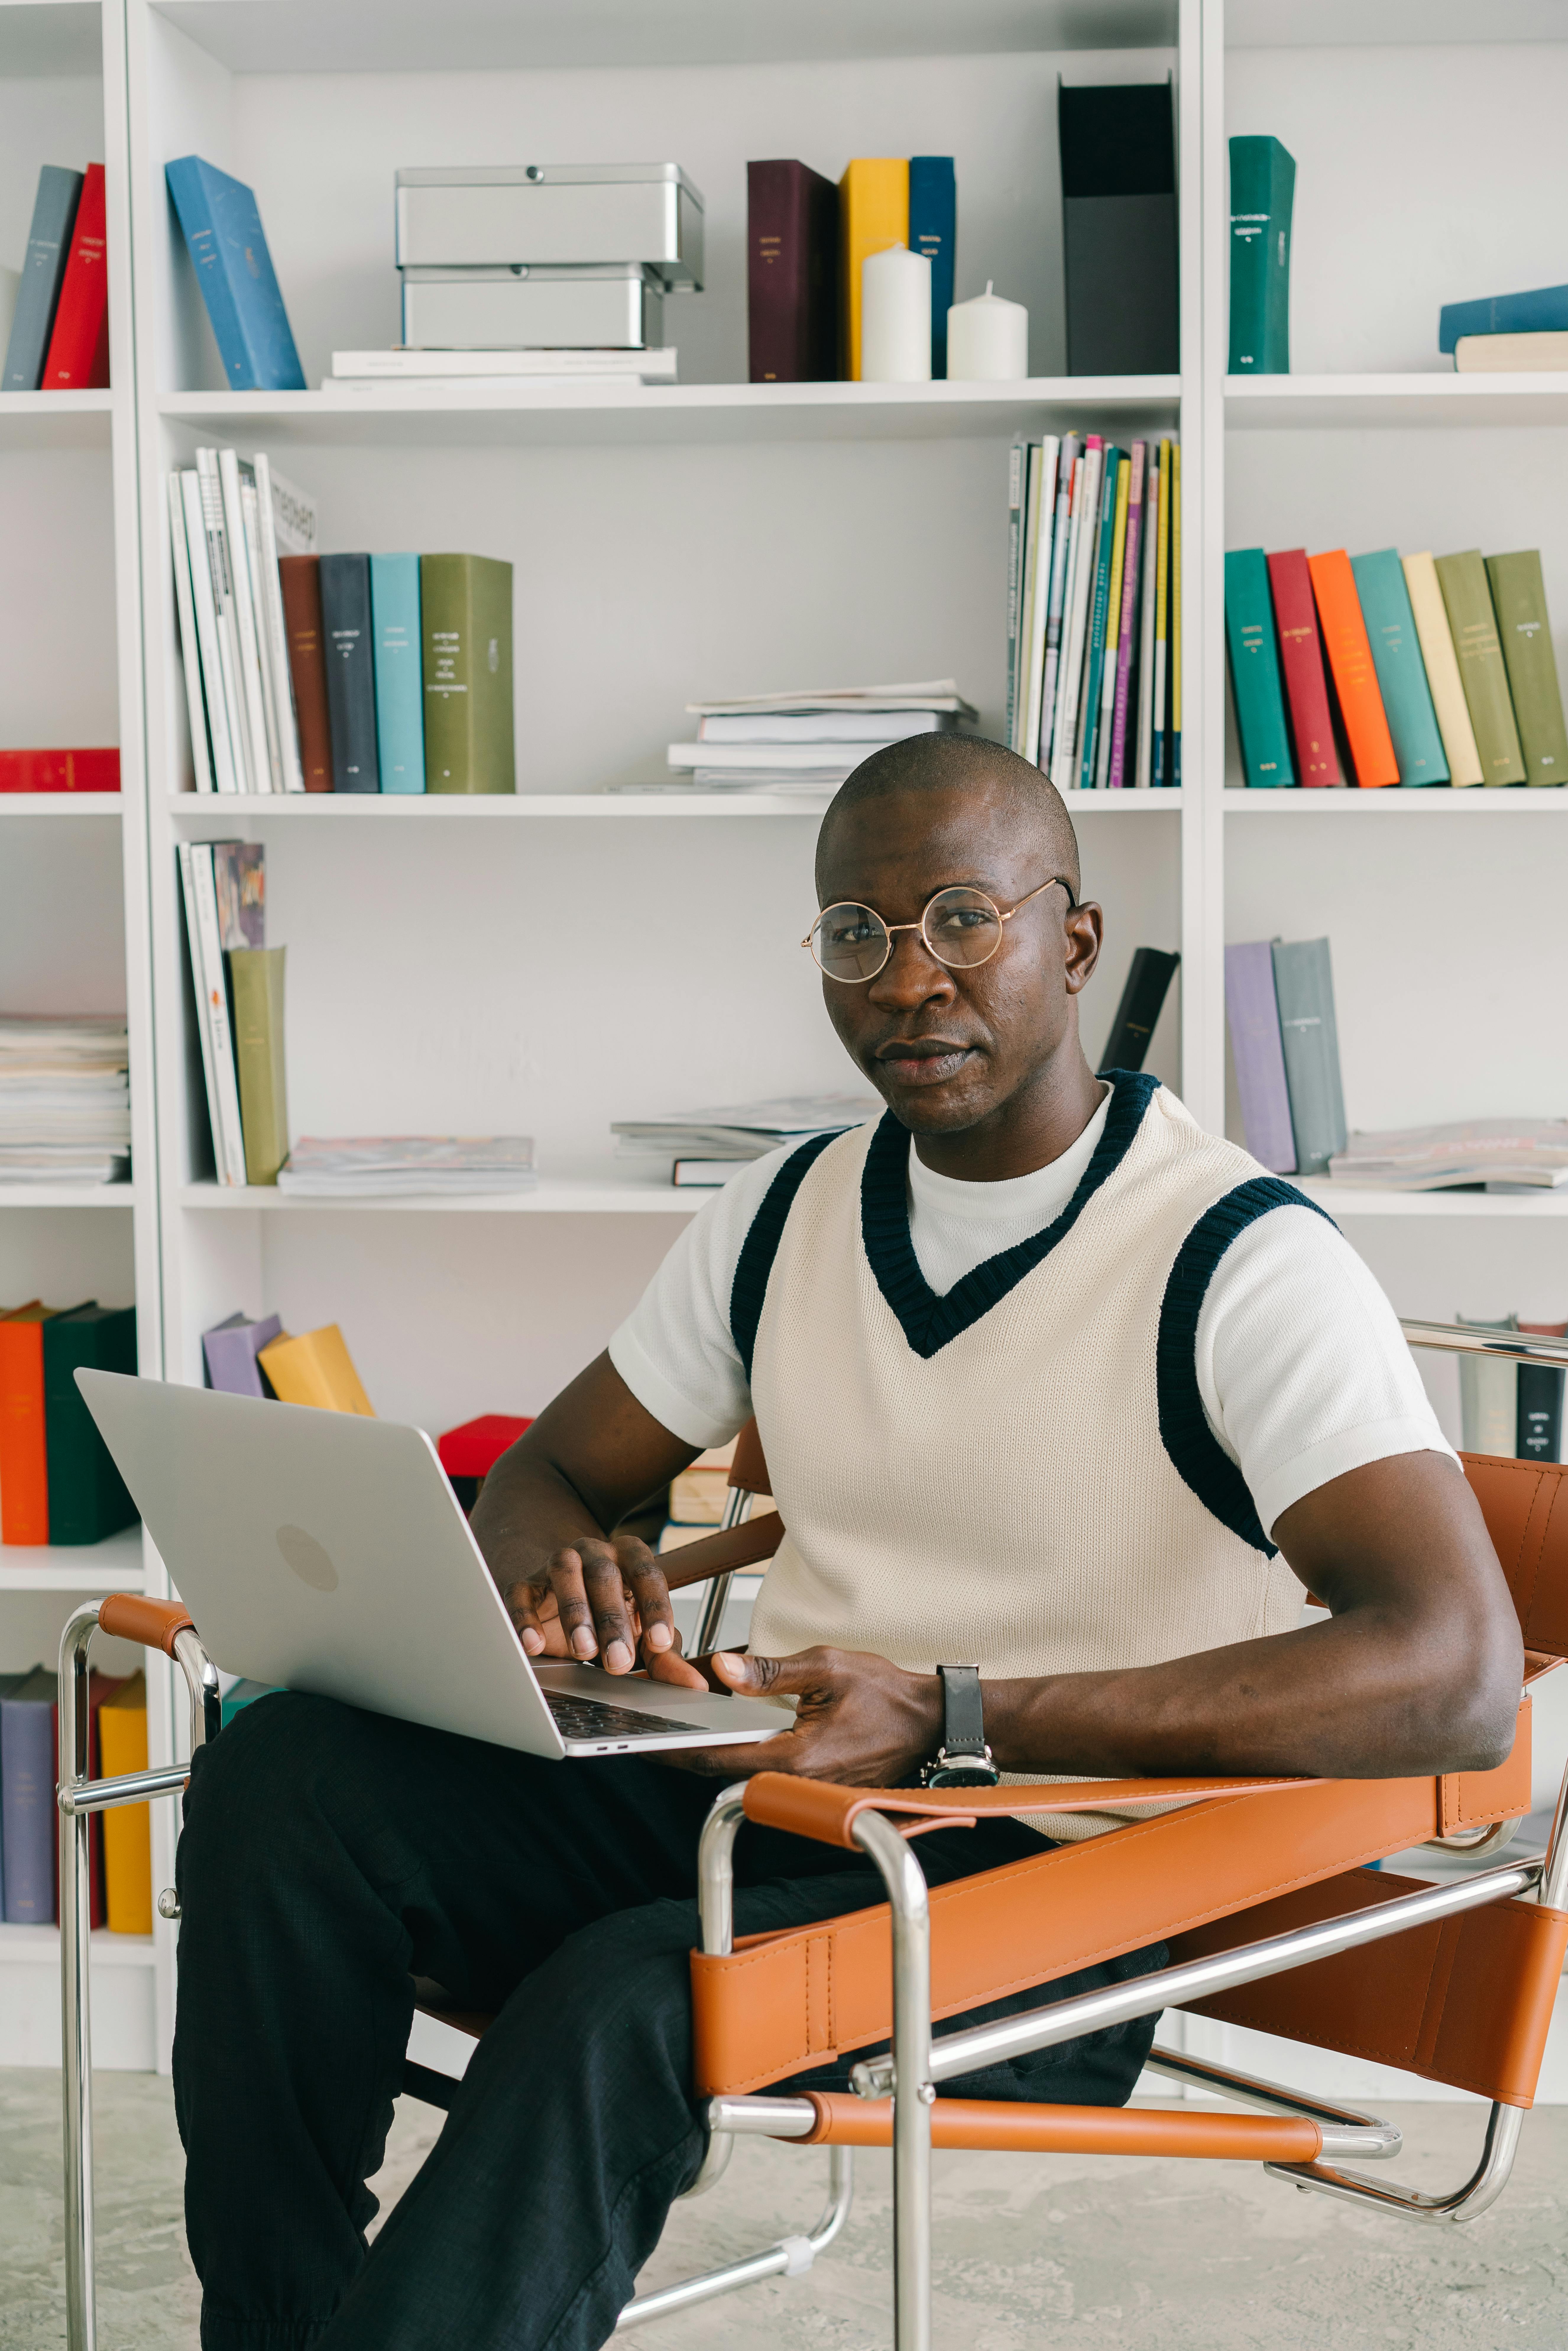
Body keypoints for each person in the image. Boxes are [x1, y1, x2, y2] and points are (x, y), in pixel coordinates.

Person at [173, 737, 1522, 2351]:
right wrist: (560, 1561)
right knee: (287, 1776)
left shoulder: (1237, 1259)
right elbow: (544, 1469)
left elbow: (1451, 1671)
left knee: (627, 1998)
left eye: (963, 918)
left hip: (1044, 1898)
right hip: (766, 1807)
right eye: (856, 935)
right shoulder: (785, 1210)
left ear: (1071, 941)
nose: (907, 981)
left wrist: (957, 1717)